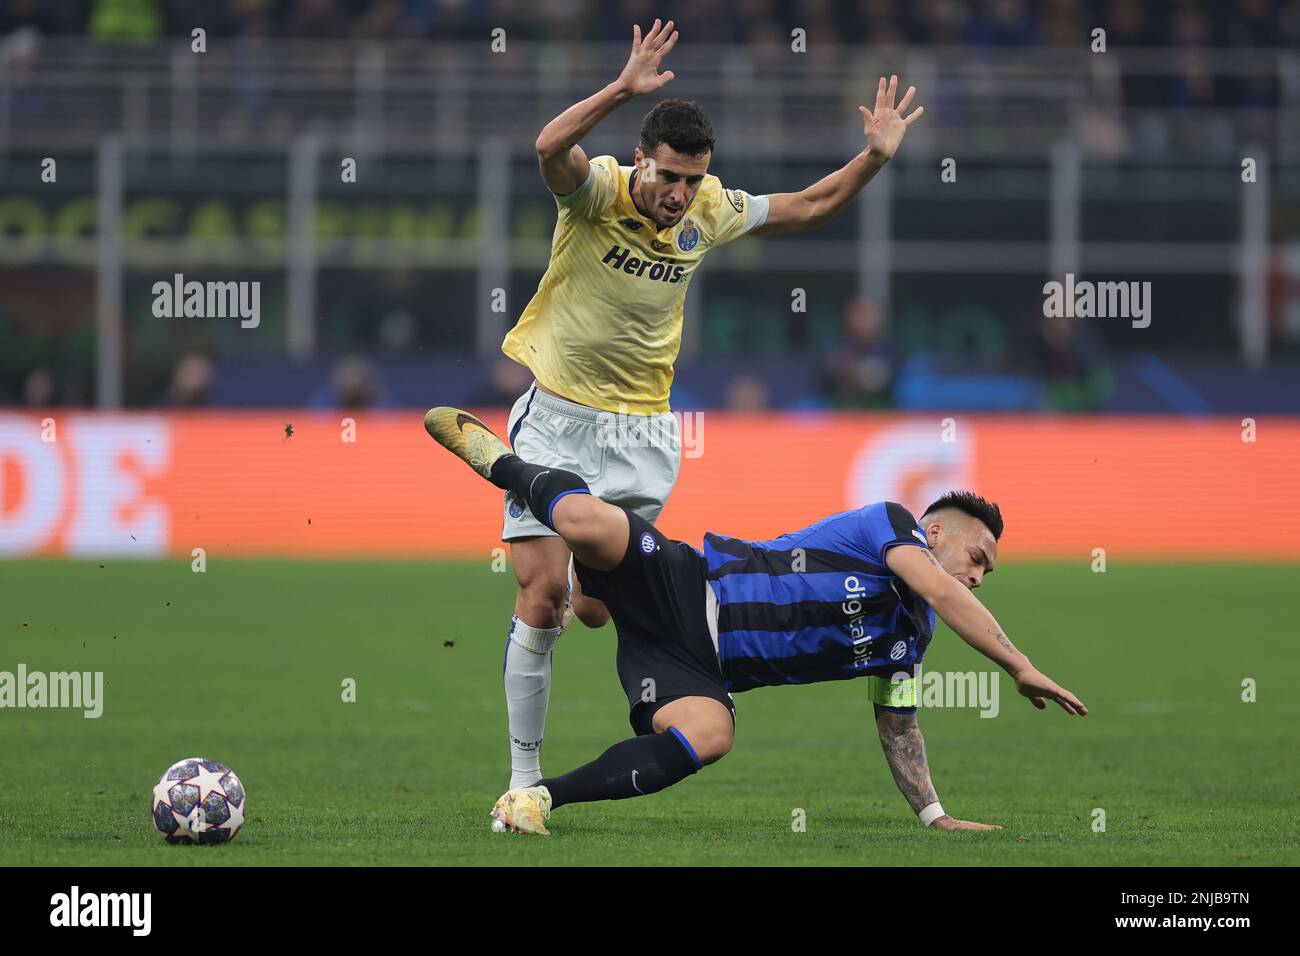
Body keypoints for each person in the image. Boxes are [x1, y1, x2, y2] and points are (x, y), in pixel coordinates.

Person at [494, 16, 926, 791]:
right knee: (544, 594)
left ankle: (581, 595)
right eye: (668, 177)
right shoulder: (594, 193)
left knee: (595, 610)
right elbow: (546, 149)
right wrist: (620, 89)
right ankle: (524, 783)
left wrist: (873, 157)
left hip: (643, 439)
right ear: (639, 160)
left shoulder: (708, 210)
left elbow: (813, 206)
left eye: (693, 179)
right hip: (557, 420)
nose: (679, 194)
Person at [424, 407, 1088, 835]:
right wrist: (1019, 666)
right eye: (976, 558)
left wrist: (934, 816)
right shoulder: (889, 525)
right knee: (582, 521)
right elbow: (946, 594)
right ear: (934, 529)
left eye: (986, 576)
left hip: (694, 669)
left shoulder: (909, 640)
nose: (975, 577)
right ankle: (499, 460)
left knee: (711, 734)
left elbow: (899, 724)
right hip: (686, 583)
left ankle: (536, 800)